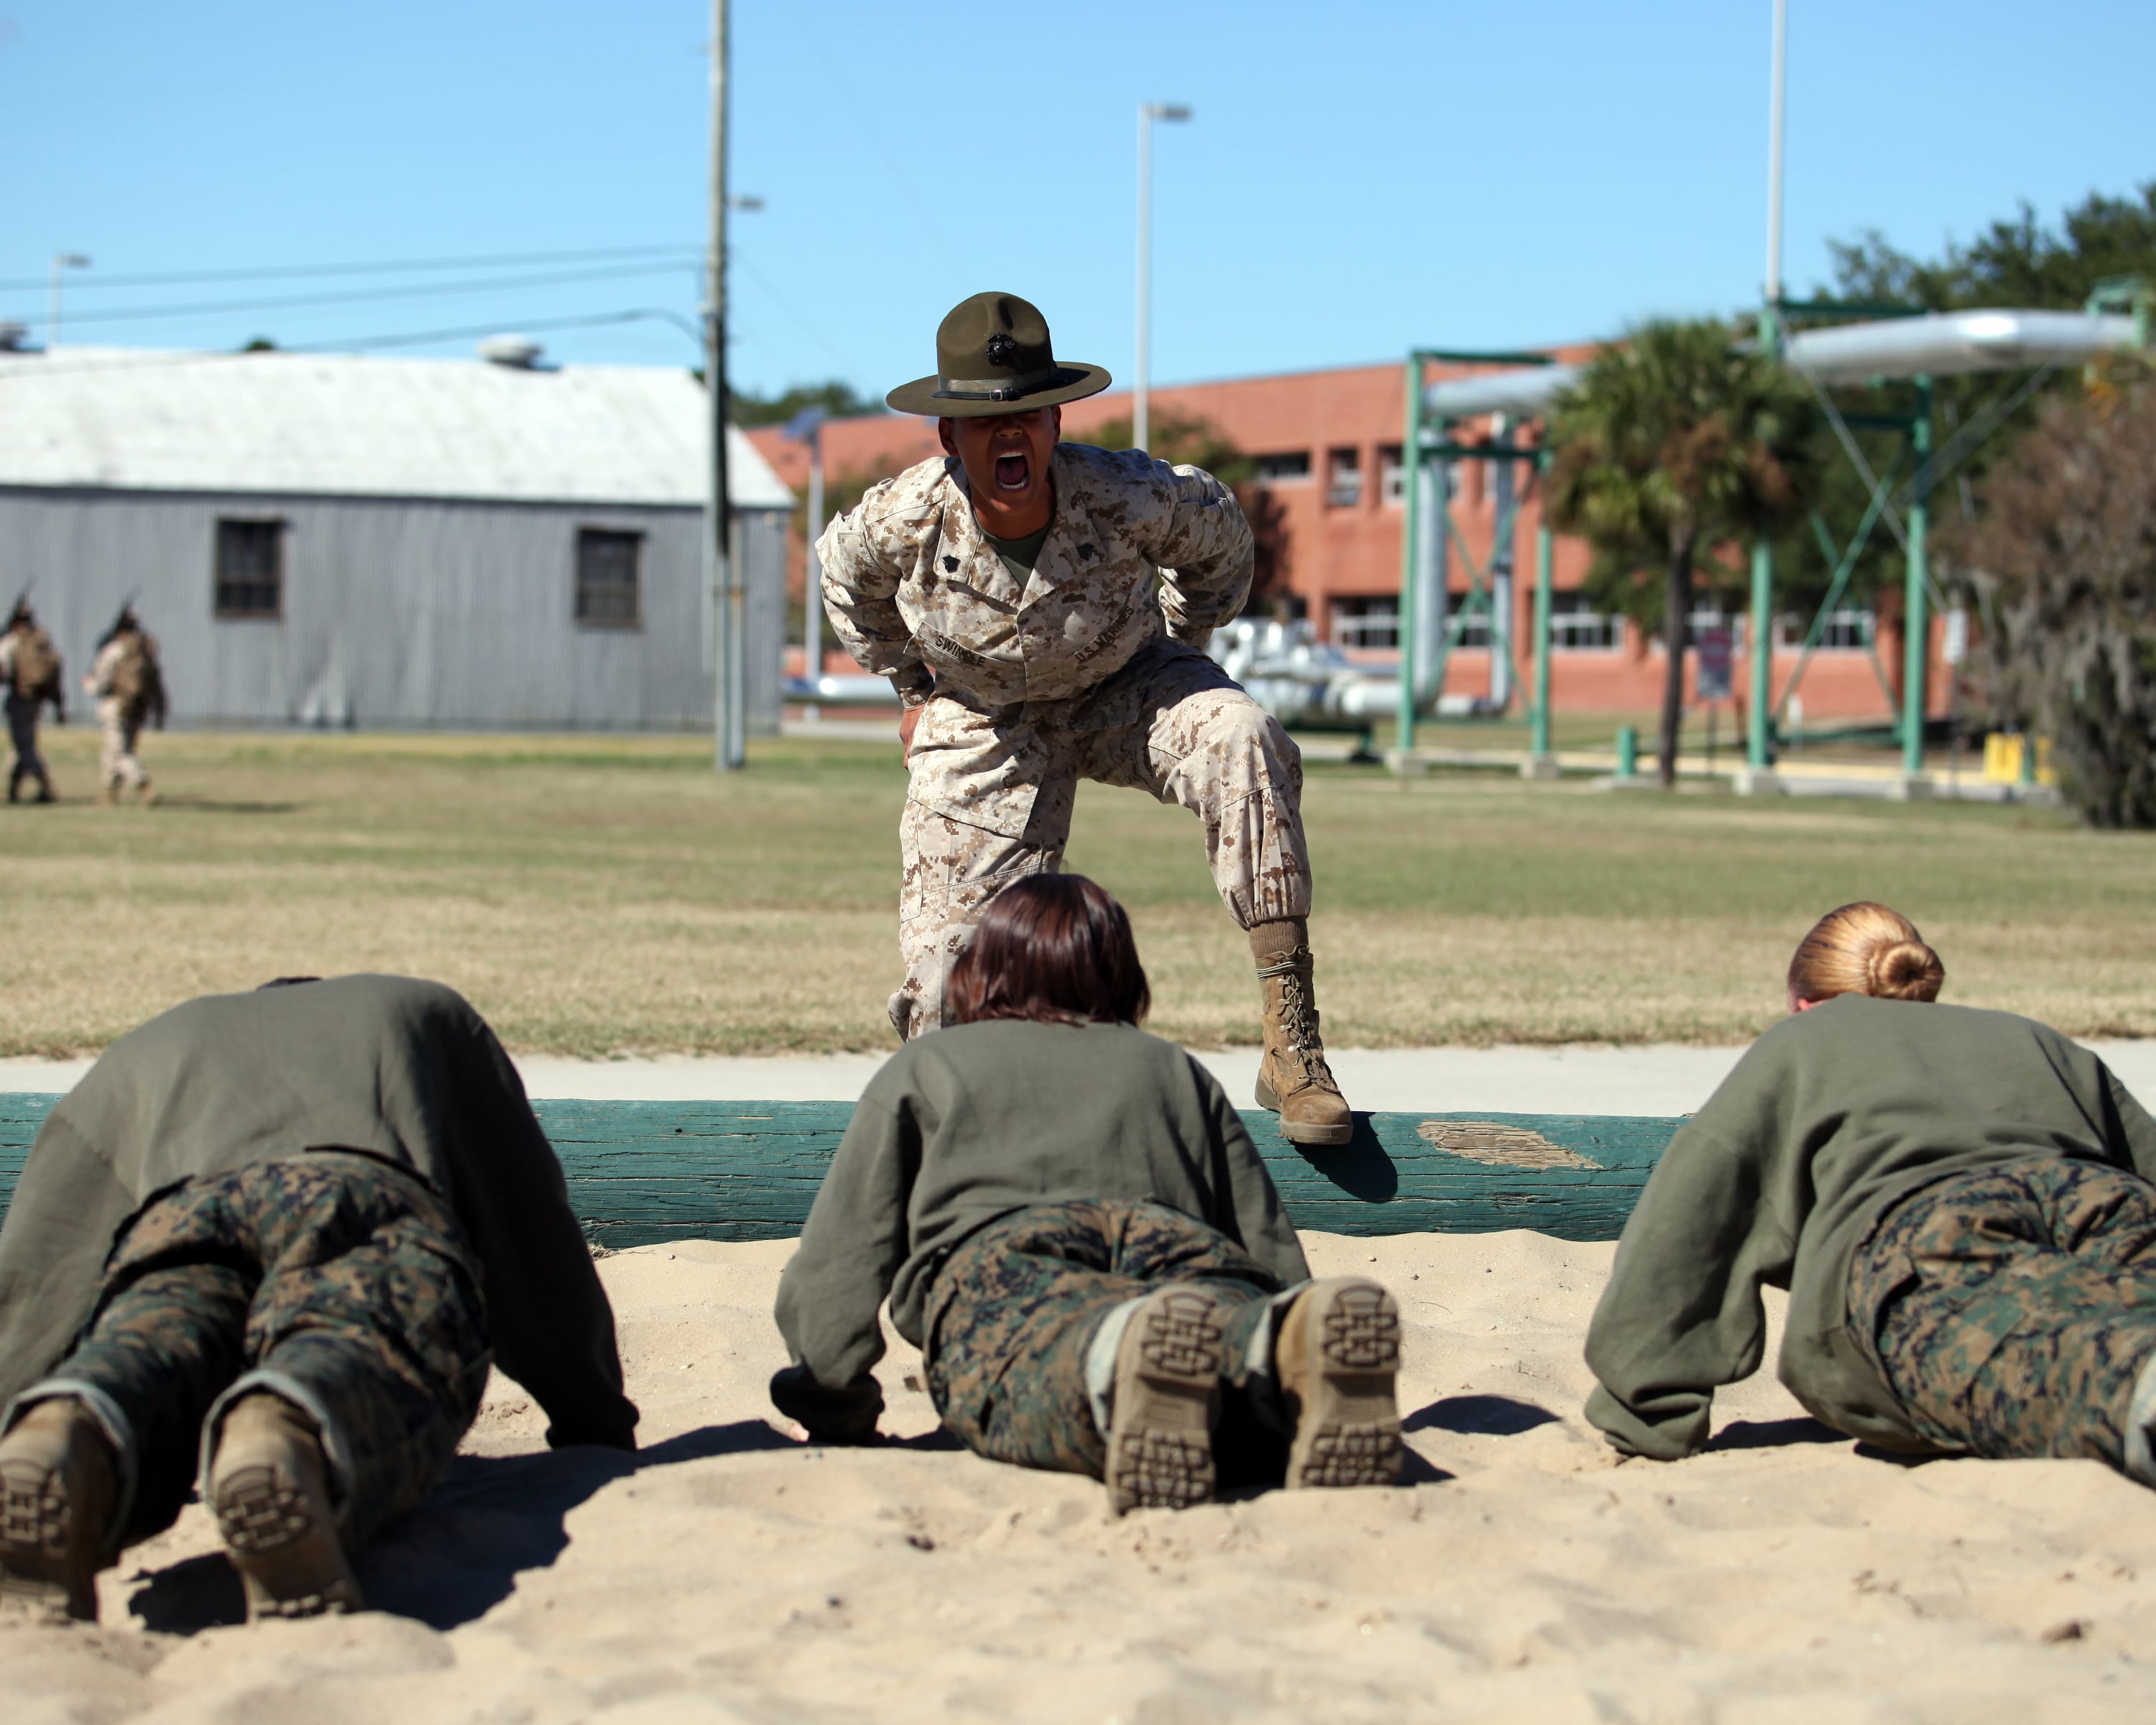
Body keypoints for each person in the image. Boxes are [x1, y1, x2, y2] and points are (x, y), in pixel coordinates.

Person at [816, 291, 1351, 1146]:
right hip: (985, 717)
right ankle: (965, 1140)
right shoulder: (900, 517)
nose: (1010, 436)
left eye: (1028, 414)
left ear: (1058, 420)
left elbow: (1221, 540)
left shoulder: (1127, 493)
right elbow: (846, 588)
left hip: (1126, 683)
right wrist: (912, 690)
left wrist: (1187, 639)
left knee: (1241, 738)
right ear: (949, 436)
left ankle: (1293, 1046)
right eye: (985, 422)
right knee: (942, 981)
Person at [0, 975, 638, 1624]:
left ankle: (72, 1421)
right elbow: (523, 1223)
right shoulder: (421, 1010)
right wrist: (593, 1416)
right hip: (360, 1190)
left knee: (154, 1340)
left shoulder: (147, 1045)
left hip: (184, 1211)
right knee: (360, 1339)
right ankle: (285, 1421)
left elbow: (45, 1262)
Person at [770, 873, 1402, 1514]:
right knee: (1227, 1333)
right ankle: (1268, 1347)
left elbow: (840, 1261)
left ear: (982, 969)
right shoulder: (1169, 1066)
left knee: (1038, 1352)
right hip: (1181, 1253)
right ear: (1121, 973)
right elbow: (1261, 1236)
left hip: (1008, 1260)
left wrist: (832, 1403)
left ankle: (1115, 1356)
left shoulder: (930, 1066)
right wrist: (1286, 1305)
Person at [1585, 901, 2156, 1485]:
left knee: (2064, 1363)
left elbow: (1688, 1224)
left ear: (1803, 1001)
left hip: (1932, 1229)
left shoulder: (1805, 1040)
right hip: (2102, 1198)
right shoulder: (2037, 1039)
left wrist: (1646, 1413)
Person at [83, 604, 165, 806]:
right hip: (139, 707)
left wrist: (88, 685)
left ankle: (142, 783)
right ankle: (110, 794)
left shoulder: (114, 650)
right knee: (115, 751)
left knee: (120, 753)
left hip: (117, 706)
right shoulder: (146, 650)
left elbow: (100, 683)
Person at [0, 598, 64, 804]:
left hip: (19, 698)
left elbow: (3, 671)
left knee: (24, 746)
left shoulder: (12, 642)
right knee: (22, 744)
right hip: (37, 700)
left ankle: (46, 785)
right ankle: (13, 790)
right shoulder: (42, 640)